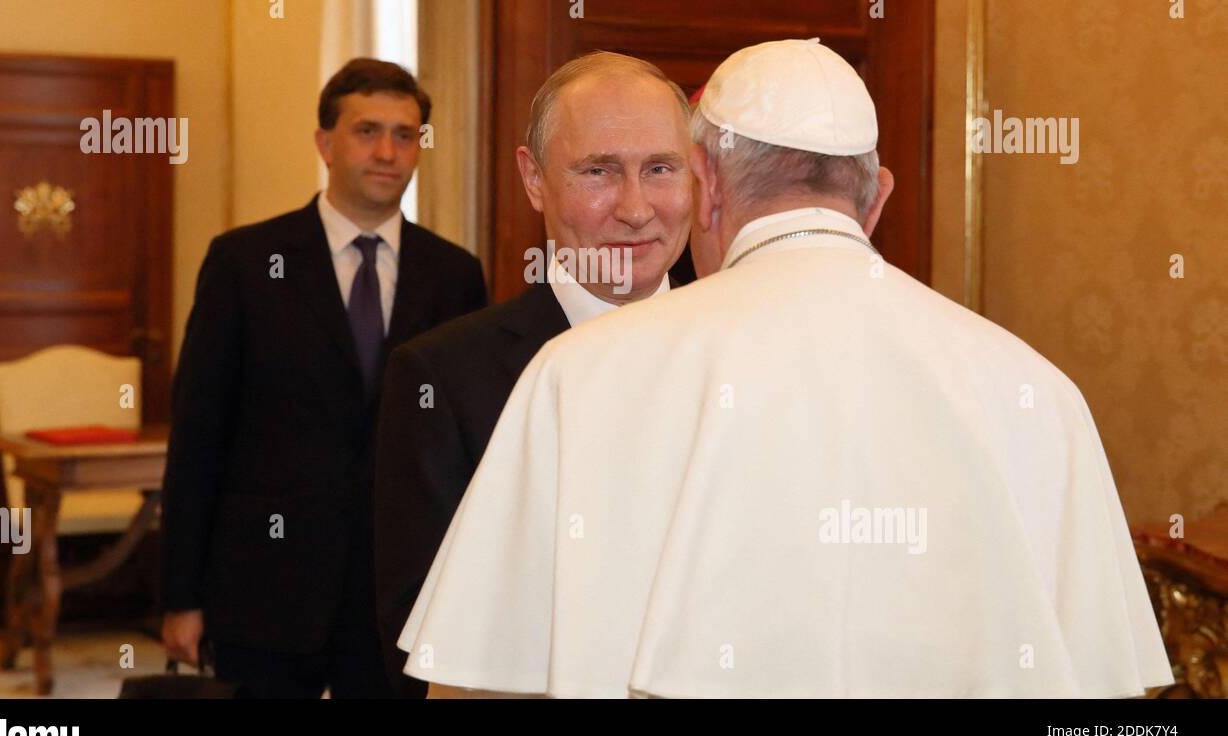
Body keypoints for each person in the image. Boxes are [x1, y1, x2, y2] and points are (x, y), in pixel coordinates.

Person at [396, 38, 1173, 698]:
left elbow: (477, 681)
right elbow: (1108, 712)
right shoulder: (1039, 391)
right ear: (877, 200)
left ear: (707, 188)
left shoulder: (574, 377)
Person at [160, 58, 486, 698]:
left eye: (405, 134)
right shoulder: (246, 263)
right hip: (264, 590)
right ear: (324, 143)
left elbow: (471, 448)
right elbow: (198, 436)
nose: (388, 152)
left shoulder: (455, 275)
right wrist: (181, 596)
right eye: (367, 131)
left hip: (400, 597)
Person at [373, 51, 694, 697]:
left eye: (660, 168)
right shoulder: (443, 377)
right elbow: (419, 641)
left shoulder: (743, 356)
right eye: (598, 171)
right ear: (535, 178)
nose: (635, 208)